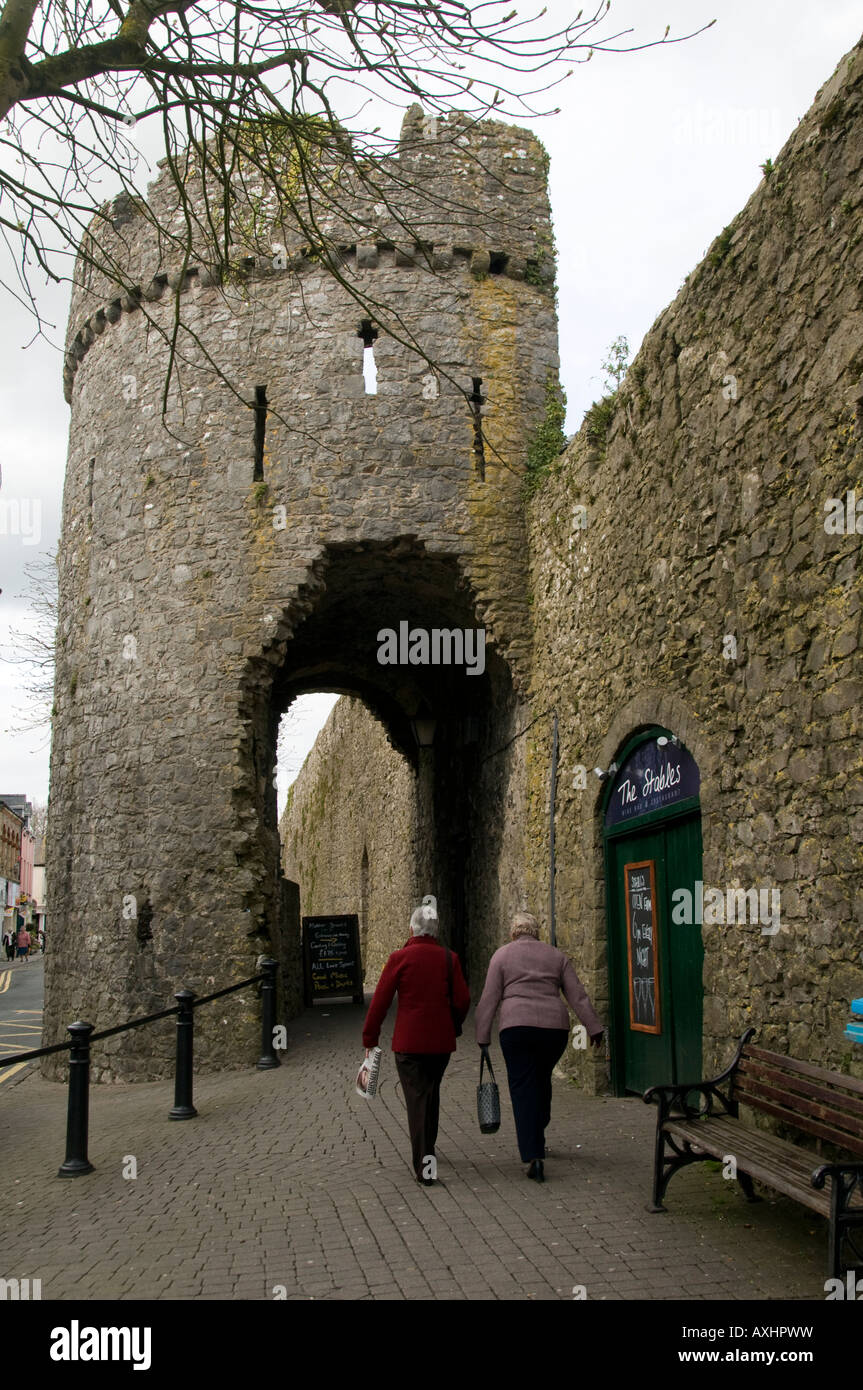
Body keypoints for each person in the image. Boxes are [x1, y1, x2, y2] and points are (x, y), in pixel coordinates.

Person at [475, 910, 603, 1183]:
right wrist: (594, 1027)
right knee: (541, 1080)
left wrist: (482, 1037)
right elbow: (577, 995)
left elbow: (489, 999)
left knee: (522, 1088)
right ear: (537, 932)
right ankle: (539, 1129)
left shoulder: (501, 956)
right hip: (553, 1031)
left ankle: (533, 1155)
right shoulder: (555, 956)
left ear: (513, 933)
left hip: (516, 1029)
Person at [362, 900, 469, 1186]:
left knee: (418, 1098)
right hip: (440, 1042)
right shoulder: (450, 959)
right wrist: (453, 1022)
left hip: (409, 1043)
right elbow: (463, 1000)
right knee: (430, 1093)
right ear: (435, 930)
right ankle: (428, 1148)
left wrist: (370, 1037)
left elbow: (380, 1002)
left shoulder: (399, 959)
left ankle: (425, 1164)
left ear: (412, 928)